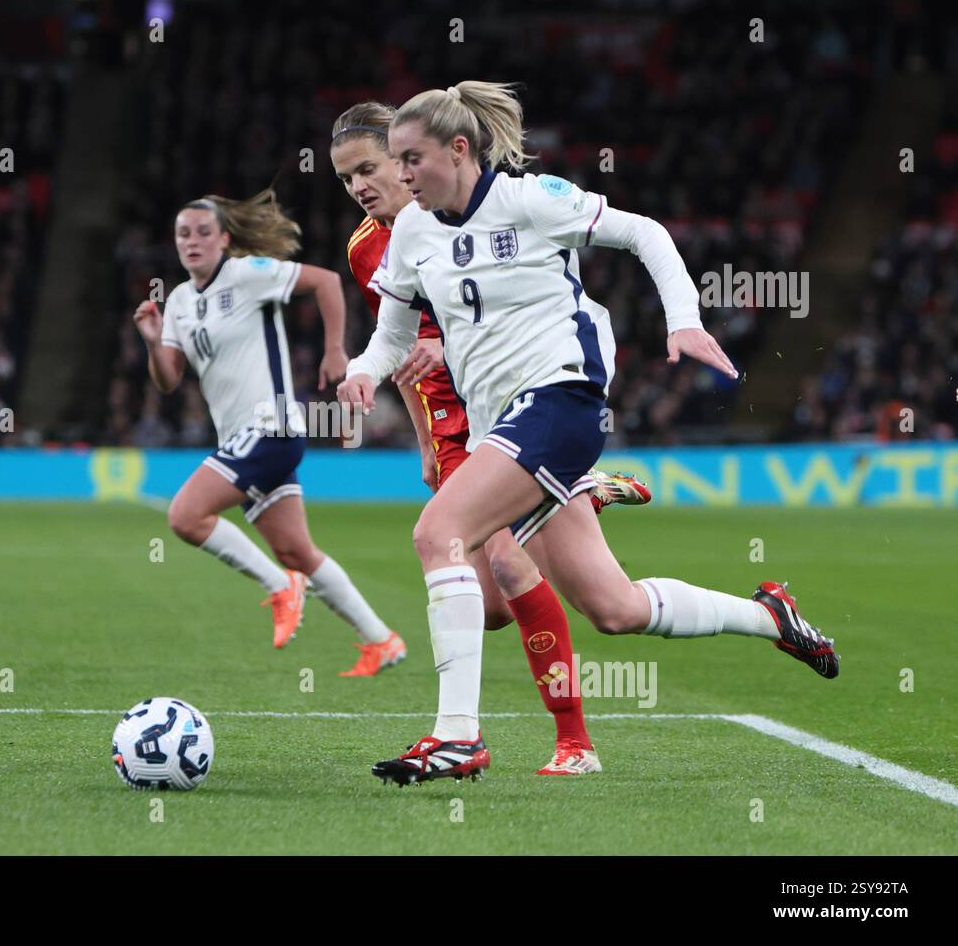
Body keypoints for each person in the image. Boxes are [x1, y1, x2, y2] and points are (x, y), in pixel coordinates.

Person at [337, 81, 839, 786]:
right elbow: (389, 338)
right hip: (497, 432)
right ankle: (769, 616)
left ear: (457, 148)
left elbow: (646, 233)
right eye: (390, 163)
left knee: (437, 533)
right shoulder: (413, 233)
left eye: (405, 160)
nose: (397, 176)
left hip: (561, 399)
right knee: (612, 609)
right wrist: (364, 372)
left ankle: (458, 738)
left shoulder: (531, 199)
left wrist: (684, 320)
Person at [330, 102, 654, 774]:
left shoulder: (488, 212)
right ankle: (577, 493)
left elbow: (501, 318)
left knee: (505, 562)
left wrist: (446, 355)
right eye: (344, 179)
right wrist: (424, 439)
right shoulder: (369, 249)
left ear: (407, 157)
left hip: (512, 410)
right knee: (492, 610)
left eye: (369, 168)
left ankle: (570, 743)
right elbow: (397, 350)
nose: (360, 186)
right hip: (451, 425)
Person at [134, 189, 405, 675]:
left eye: (202, 232)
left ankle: (280, 586)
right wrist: (155, 344)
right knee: (296, 550)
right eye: (183, 234)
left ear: (224, 239)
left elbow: (324, 281)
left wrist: (334, 350)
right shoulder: (176, 302)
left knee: (185, 516)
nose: (192, 241)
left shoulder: (246, 275)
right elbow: (168, 380)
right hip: (242, 439)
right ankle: (380, 639)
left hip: (271, 425)